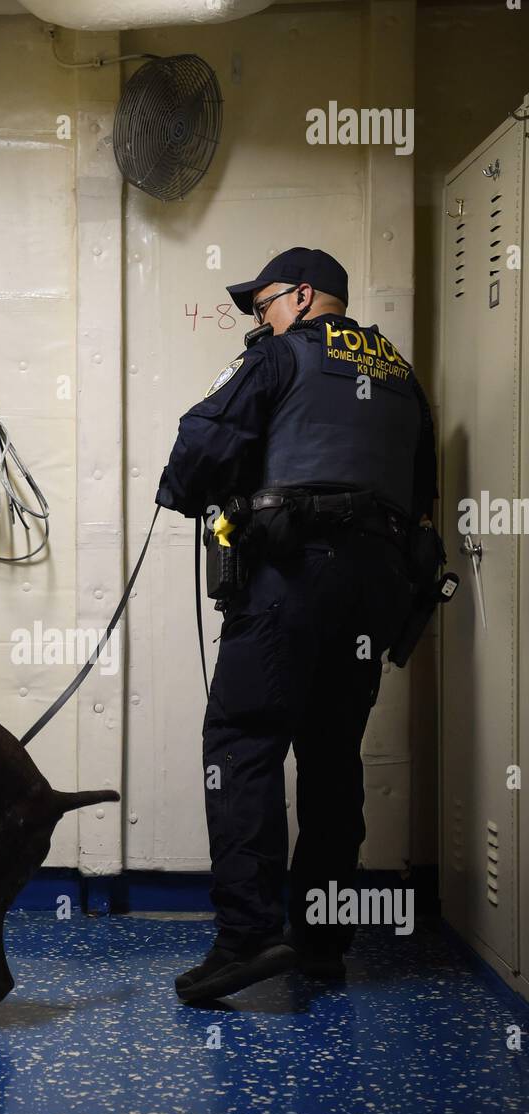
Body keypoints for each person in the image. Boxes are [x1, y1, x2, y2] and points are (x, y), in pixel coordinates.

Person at [155, 247, 439, 1004]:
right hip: (374, 591)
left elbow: (195, 456)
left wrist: (198, 490)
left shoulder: (283, 357)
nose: (259, 319)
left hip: (292, 575)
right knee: (331, 758)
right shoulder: (403, 377)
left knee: (244, 744)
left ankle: (248, 939)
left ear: (306, 296)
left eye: (266, 304)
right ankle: (321, 944)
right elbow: (421, 498)